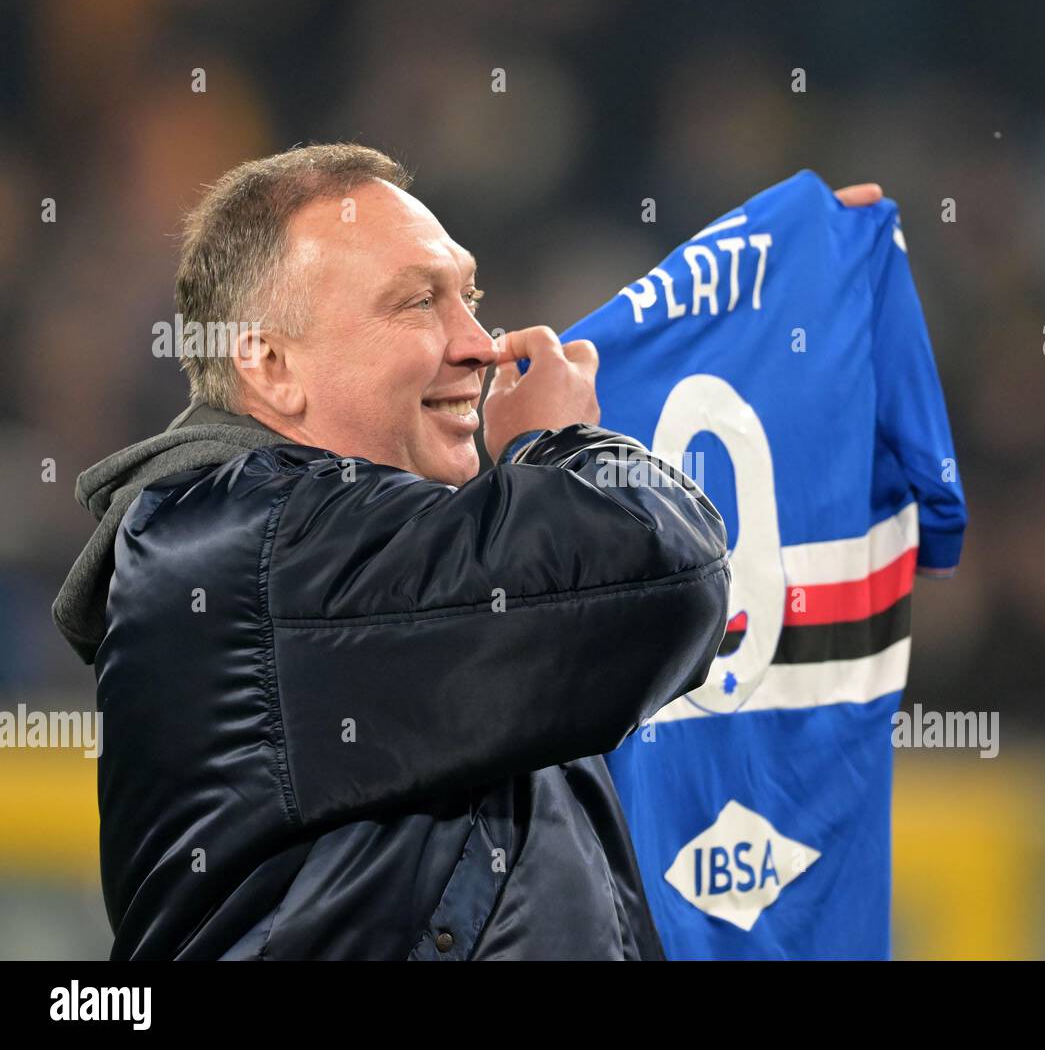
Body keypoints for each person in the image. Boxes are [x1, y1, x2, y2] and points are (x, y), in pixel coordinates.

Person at [52, 143, 880, 960]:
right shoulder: (253, 545)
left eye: (469, 297)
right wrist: (564, 443)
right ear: (268, 363)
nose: (481, 342)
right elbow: (663, 574)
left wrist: (788, 280)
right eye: (418, 303)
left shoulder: (396, 575)